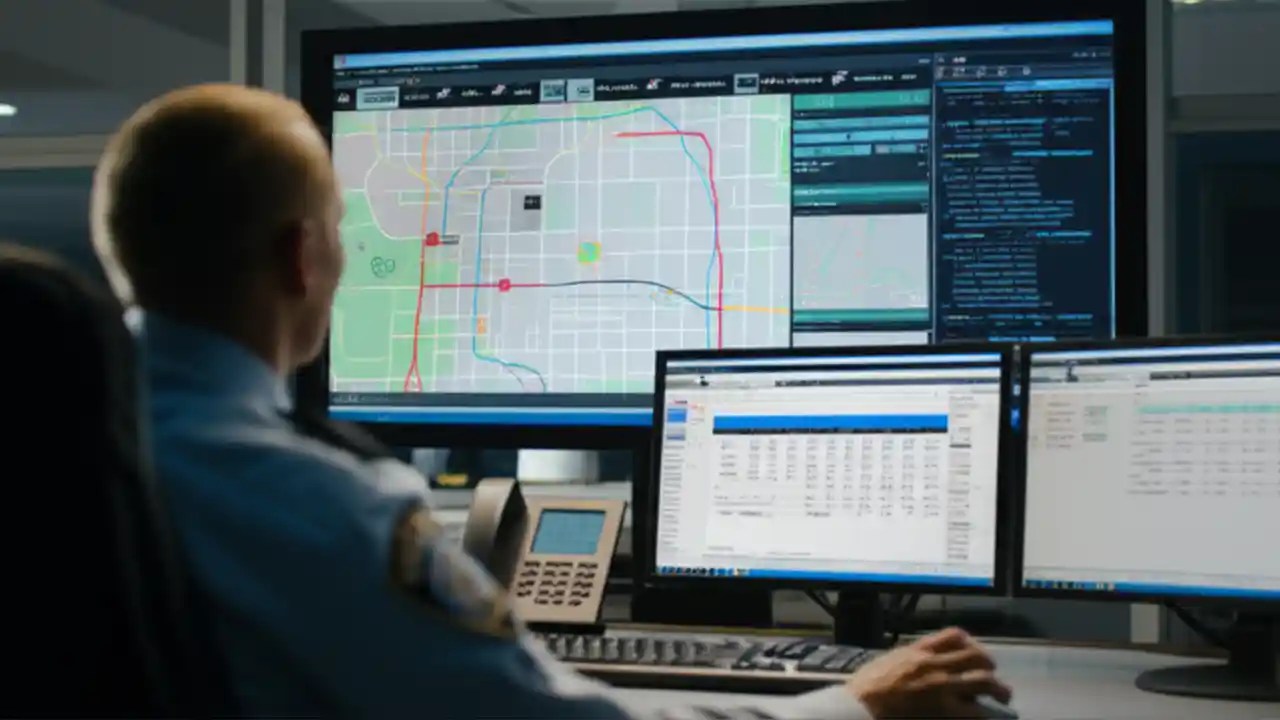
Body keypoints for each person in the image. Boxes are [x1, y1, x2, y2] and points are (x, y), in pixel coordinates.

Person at [90, 83, 1013, 718]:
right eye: (341, 232)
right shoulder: (324, 512)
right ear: (302, 256)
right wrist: (858, 703)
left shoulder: (55, 455)